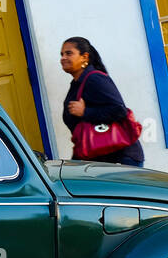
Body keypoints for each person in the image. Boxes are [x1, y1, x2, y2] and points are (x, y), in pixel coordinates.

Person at [60, 36, 144, 166]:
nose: (63, 58)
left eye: (69, 53)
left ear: (84, 57)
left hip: (120, 158)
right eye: (62, 54)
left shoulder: (95, 79)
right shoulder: (77, 84)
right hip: (98, 158)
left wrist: (85, 112)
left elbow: (119, 110)